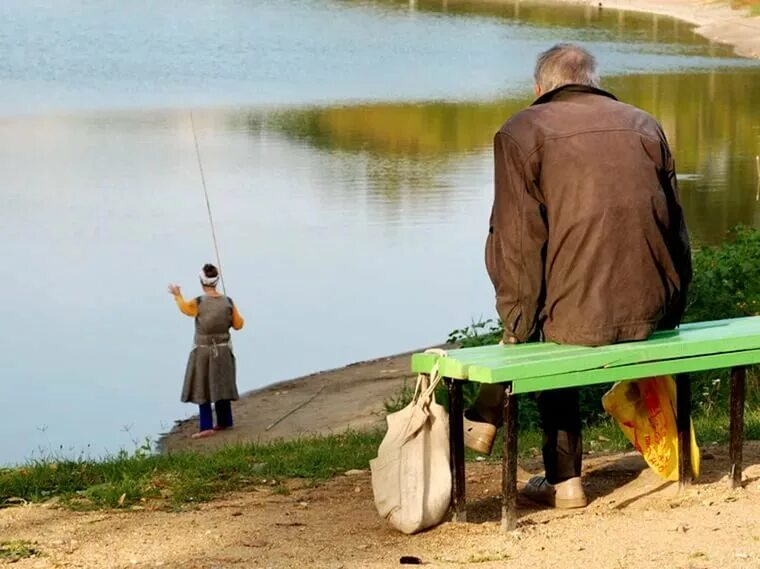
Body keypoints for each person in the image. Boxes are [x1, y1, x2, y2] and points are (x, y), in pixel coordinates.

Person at [464, 43, 692, 509]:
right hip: (652, 309)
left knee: (548, 319)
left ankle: (562, 479)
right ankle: (484, 415)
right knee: (562, 304)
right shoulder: (645, 124)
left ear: (538, 88)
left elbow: (518, 242)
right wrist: (673, 306)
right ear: (591, 80)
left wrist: (515, 326)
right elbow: (677, 229)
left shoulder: (521, 130)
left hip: (575, 320)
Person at [169, 264, 245, 439]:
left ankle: (206, 426)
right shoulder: (228, 302)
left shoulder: (199, 302)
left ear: (202, 281)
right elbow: (239, 325)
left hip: (203, 351)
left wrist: (177, 295)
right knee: (222, 384)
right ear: (217, 281)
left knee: (202, 387)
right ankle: (225, 421)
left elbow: (184, 309)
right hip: (224, 351)